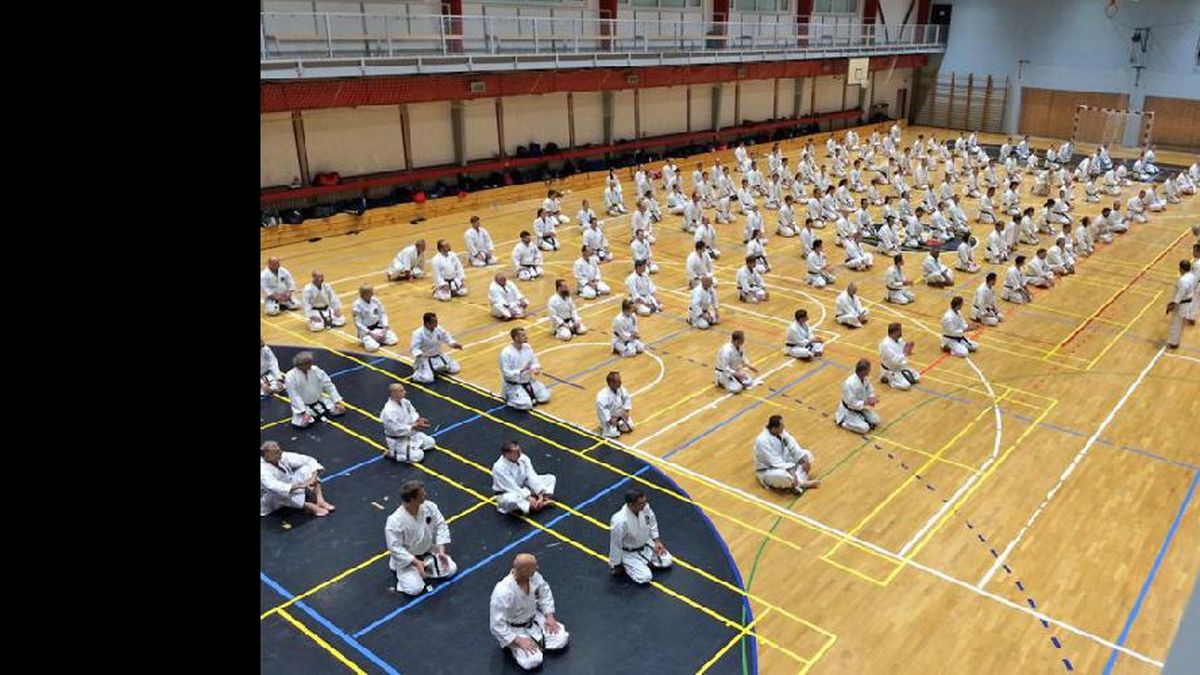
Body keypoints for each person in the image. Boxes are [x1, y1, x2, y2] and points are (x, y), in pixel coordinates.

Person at [489, 553, 569, 670]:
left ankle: (535, 642)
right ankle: (514, 647)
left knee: (561, 639)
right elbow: (496, 625)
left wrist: (549, 616)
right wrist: (518, 640)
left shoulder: (534, 576)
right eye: (534, 566)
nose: (537, 568)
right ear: (523, 571)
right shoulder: (503, 591)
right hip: (515, 630)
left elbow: (545, 593)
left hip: (534, 619)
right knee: (533, 661)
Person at [385, 480, 458, 596]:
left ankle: (426, 568)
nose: (425, 495)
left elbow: (441, 526)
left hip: (427, 550)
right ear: (412, 499)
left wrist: (441, 552)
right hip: (408, 559)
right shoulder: (394, 521)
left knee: (451, 569)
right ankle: (411, 571)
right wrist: (416, 563)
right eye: (422, 494)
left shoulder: (430, 507)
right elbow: (395, 548)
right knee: (415, 589)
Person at [609, 489, 672, 583]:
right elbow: (615, 543)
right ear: (631, 504)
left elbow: (652, 522)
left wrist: (657, 541)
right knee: (645, 577)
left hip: (646, 546)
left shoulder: (645, 508)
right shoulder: (620, 521)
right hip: (630, 553)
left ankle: (644, 563)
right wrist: (616, 564)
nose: (645, 504)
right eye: (641, 503)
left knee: (667, 561)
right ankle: (626, 564)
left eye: (645, 501)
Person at [260, 441, 334, 517]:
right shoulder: (262, 470)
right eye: (276, 452)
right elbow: (274, 486)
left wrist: (313, 478)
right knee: (277, 492)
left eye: (279, 450)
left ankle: (320, 500)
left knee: (307, 469)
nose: (281, 453)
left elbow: (308, 460)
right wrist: (301, 485)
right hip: (270, 500)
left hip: (289, 484)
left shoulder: (282, 456)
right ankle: (309, 506)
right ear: (266, 456)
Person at [753, 414, 821, 494]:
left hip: (785, 462)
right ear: (774, 428)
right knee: (783, 475)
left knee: (807, 455)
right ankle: (801, 483)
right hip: (769, 469)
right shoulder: (762, 441)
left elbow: (793, 446)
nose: (784, 426)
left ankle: (796, 483)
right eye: (782, 425)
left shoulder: (781, 433)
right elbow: (775, 461)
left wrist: (804, 458)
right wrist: (791, 471)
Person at [284, 350, 346, 428]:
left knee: (340, 410)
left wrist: (337, 401)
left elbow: (328, 385)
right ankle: (308, 415)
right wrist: (303, 412)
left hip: (319, 400)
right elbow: (294, 395)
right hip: (304, 405)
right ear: (301, 364)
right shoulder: (290, 376)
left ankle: (320, 412)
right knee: (303, 424)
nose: (311, 364)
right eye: (308, 363)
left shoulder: (316, 370)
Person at [492, 441, 556, 515]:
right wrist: (528, 497)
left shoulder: (523, 458)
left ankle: (542, 500)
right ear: (507, 454)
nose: (519, 453)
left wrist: (540, 494)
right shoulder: (499, 468)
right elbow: (511, 486)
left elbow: (531, 475)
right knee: (510, 499)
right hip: (509, 492)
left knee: (550, 478)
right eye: (516, 452)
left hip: (524, 485)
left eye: (519, 450)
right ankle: (537, 505)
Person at [381, 383, 436, 463]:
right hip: (399, 440)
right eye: (401, 391)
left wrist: (418, 420)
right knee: (418, 456)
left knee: (430, 442)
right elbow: (395, 430)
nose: (405, 392)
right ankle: (393, 454)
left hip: (412, 435)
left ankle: (412, 449)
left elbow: (413, 413)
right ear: (393, 393)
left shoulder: (405, 402)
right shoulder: (389, 411)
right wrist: (413, 426)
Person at [500, 328, 550, 410]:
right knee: (526, 405)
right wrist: (521, 370)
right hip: (514, 385)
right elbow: (506, 374)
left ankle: (528, 394)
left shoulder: (527, 347)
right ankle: (509, 397)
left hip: (528, 380)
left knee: (545, 397)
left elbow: (534, 361)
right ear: (516, 338)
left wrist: (536, 368)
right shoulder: (506, 353)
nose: (526, 337)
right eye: (523, 335)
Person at [410, 312, 463, 383]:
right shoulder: (418, 333)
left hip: (439, 355)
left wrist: (453, 344)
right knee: (428, 379)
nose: (436, 323)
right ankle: (417, 373)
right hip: (425, 358)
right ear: (427, 323)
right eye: (434, 321)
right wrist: (420, 354)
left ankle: (437, 368)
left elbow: (447, 337)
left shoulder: (438, 329)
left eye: (436, 320)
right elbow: (414, 348)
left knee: (455, 369)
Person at [835, 359, 880, 434]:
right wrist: (866, 402)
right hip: (849, 410)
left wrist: (871, 398)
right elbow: (851, 403)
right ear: (863, 371)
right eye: (868, 370)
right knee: (864, 428)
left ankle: (860, 419)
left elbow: (869, 389)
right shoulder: (849, 384)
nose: (869, 371)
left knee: (876, 420)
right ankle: (843, 423)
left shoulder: (865, 378)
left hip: (860, 407)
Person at [352, 284, 399, 352]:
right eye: (370, 293)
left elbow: (382, 313)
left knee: (393, 340)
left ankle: (377, 339)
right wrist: (371, 333)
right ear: (364, 294)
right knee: (372, 347)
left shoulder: (375, 300)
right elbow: (358, 323)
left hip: (378, 328)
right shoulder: (356, 305)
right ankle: (369, 340)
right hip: (367, 331)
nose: (372, 294)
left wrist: (385, 327)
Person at [1167, 260, 1197, 349]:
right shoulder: (1191, 276)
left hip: (1182, 304)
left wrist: (1173, 304)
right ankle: (1174, 340)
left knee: (1176, 323)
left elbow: (1180, 294)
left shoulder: (1183, 280)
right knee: (1179, 323)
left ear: (1181, 268)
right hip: (1188, 302)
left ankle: (1174, 342)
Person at [596, 371, 634, 438]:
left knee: (631, 426)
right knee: (614, 433)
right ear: (611, 383)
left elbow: (627, 399)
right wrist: (612, 420)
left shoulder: (620, 388)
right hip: (609, 419)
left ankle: (619, 425)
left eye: (620, 380)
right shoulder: (602, 397)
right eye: (618, 381)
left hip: (620, 414)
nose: (620, 383)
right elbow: (603, 414)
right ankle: (603, 430)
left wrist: (625, 411)